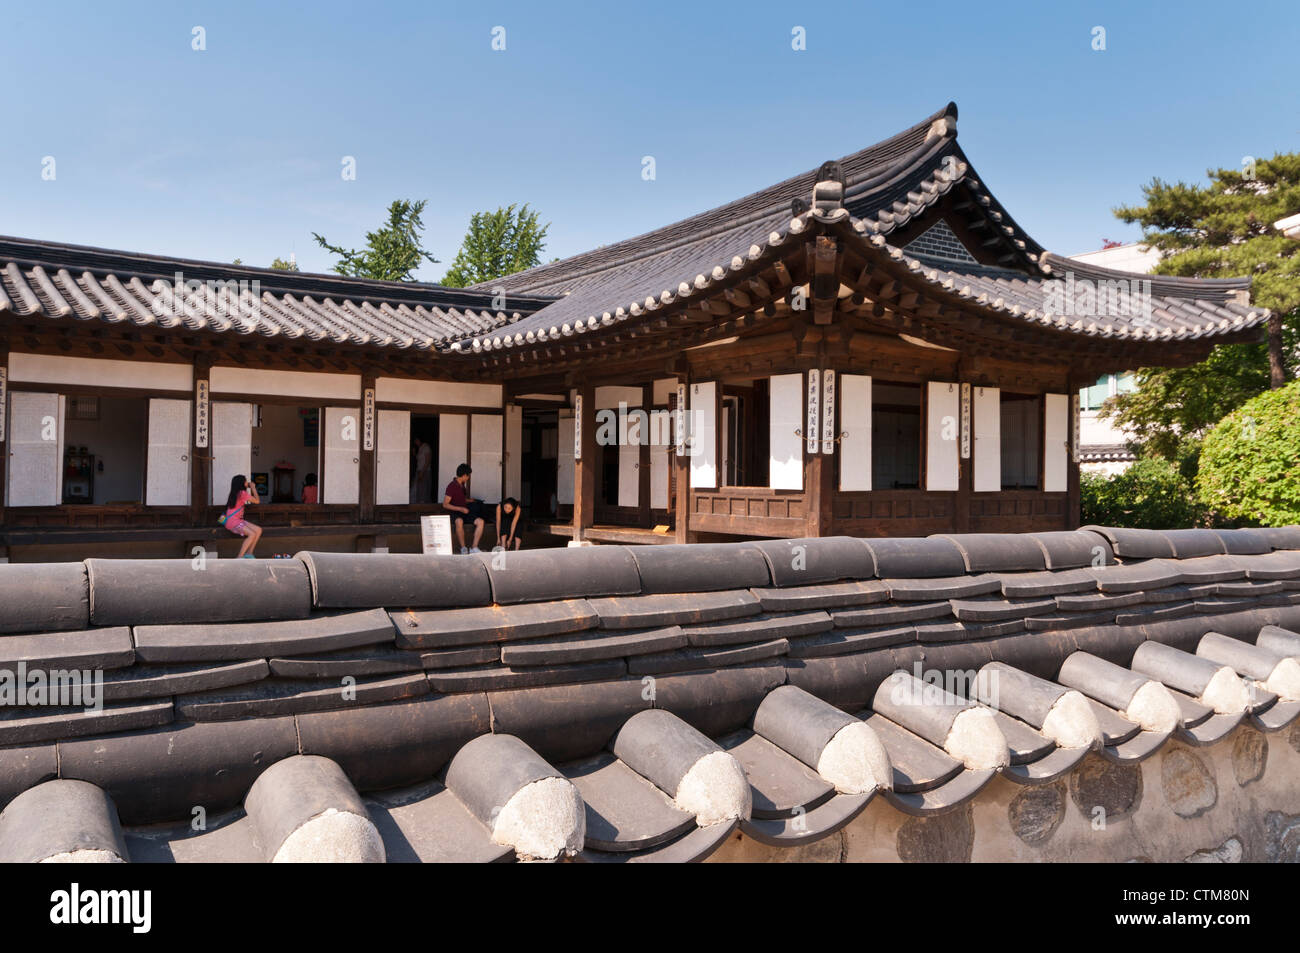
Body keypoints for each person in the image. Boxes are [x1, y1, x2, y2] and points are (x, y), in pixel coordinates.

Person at [444, 462, 484, 553]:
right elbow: (445, 504)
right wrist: (460, 509)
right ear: (464, 475)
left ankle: (474, 547)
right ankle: (463, 548)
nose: (468, 477)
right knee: (459, 521)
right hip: (455, 512)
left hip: (465, 511)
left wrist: (470, 501)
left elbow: (462, 499)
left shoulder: (462, 485)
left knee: (481, 522)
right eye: (468, 475)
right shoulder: (451, 486)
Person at [221, 474, 262, 558]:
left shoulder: (234, 493)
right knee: (252, 534)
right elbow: (257, 501)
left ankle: (249, 553)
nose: (247, 482)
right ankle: (239, 557)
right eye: (246, 481)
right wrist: (253, 488)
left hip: (233, 521)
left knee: (258, 530)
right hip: (234, 522)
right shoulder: (242, 493)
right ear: (242, 483)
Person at [412, 436, 434, 503]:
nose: (415, 442)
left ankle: (424, 506)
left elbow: (428, 460)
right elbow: (420, 460)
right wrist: (414, 454)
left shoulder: (426, 447)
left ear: (419, 439)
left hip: (425, 471)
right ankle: (419, 505)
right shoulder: (420, 448)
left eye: (416, 440)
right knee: (419, 490)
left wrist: (422, 472)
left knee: (424, 490)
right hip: (419, 471)